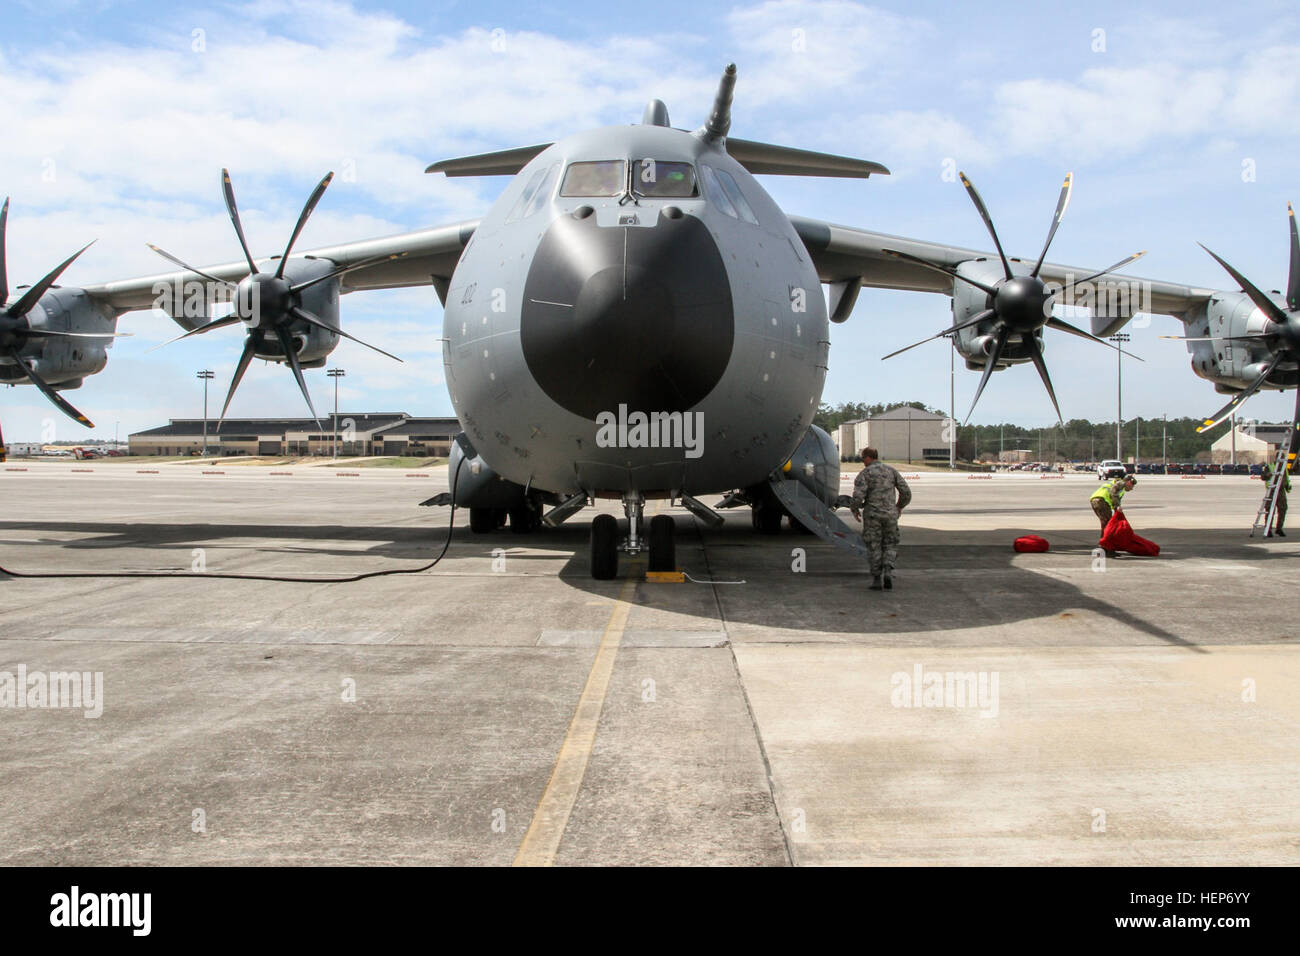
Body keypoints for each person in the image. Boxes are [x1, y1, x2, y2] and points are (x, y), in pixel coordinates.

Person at [850, 447, 912, 591]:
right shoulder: (891, 471)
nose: (862, 462)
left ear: (867, 458)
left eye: (863, 458)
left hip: (873, 515)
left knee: (874, 545)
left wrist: (855, 508)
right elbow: (906, 492)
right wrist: (898, 506)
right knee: (890, 543)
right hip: (890, 515)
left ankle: (877, 579)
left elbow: (858, 496)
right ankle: (888, 571)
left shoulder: (865, 473)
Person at [1090, 474, 1136, 554]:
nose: (1132, 488)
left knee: (1106, 524)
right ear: (1129, 482)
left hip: (1097, 501)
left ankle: (1105, 546)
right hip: (1101, 501)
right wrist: (1117, 506)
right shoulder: (1121, 484)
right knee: (1108, 526)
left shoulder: (1119, 486)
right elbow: (1113, 493)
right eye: (1132, 486)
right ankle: (1105, 547)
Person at [1262, 460, 1290, 537]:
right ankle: (1268, 529)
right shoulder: (1270, 466)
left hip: (1281, 491)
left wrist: (1287, 486)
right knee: (1270, 510)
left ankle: (1279, 528)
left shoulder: (1284, 468)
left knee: (1283, 509)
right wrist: (1269, 474)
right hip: (1272, 491)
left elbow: (1286, 477)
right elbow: (1263, 477)